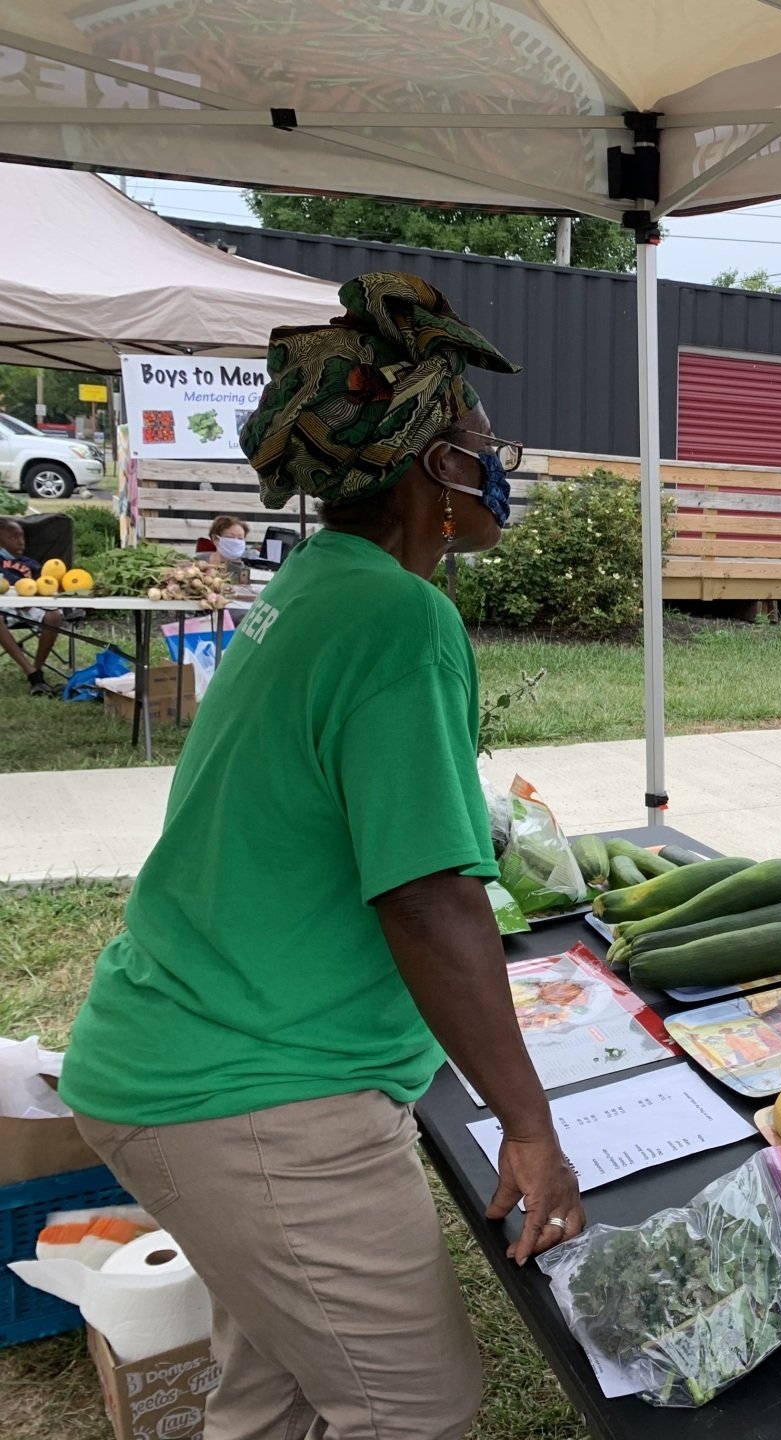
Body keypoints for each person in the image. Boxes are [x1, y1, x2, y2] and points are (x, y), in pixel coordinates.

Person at [60, 273, 582, 1440]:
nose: (499, 466)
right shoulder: (401, 617)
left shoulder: (313, 585)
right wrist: (530, 1127)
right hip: (255, 1091)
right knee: (417, 1412)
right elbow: (429, 901)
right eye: (484, 443)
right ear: (431, 469)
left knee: (278, 1386)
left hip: (178, 1051)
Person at [0, 518, 62, 695]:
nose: (20, 541)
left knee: (54, 615)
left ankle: (38, 668)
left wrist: (34, 599)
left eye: (22, 537)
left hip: (28, 605)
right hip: (4, 606)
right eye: (13, 537)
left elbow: (44, 587)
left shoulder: (31, 564)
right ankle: (31, 673)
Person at [207, 515, 251, 582]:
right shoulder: (198, 562)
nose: (236, 542)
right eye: (230, 537)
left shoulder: (244, 570)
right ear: (215, 539)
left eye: (240, 538)